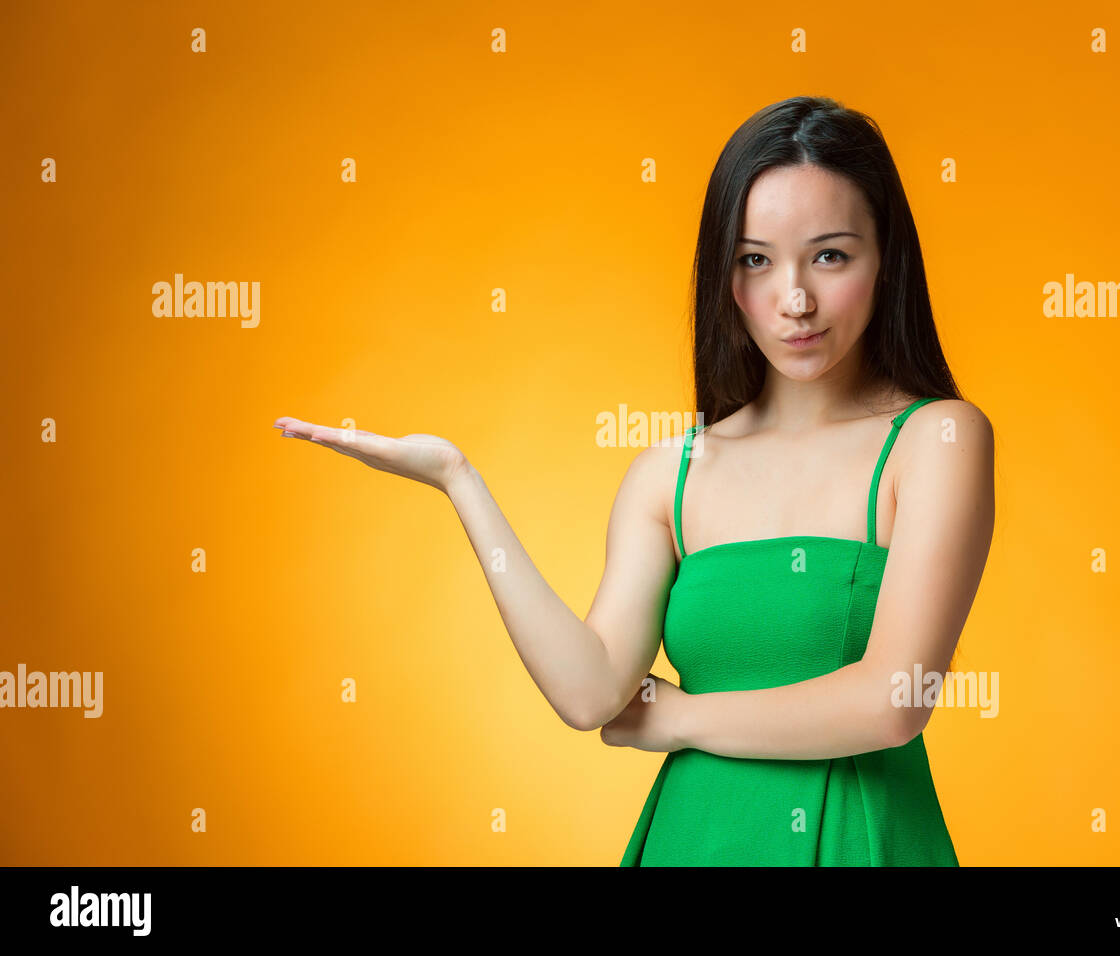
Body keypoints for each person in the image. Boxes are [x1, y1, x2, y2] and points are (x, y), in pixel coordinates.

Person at [274, 95, 995, 866]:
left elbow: (894, 702)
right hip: (695, 839)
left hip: (862, 840)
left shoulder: (937, 438)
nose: (794, 301)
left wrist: (682, 718)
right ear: (723, 275)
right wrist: (459, 480)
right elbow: (591, 694)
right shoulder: (670, 477)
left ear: (887, 259)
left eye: (830, 255)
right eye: (755, 260)